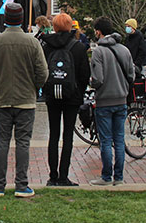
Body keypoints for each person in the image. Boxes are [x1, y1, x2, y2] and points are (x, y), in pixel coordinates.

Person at [0, 2, 48, 197]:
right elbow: (43, 73)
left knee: (2, 142)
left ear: (5, 19)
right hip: (26, 100)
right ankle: (21, 185)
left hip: (2, 99)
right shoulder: (33, 42)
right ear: (21, 19)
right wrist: (34, 86)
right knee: (23, 143)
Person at [41, 12, 90, 187]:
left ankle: (52, 175)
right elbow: (85, 74)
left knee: (53, 135)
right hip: (72, 97)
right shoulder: (78, 47)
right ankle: (63, 176)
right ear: (70, 26)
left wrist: (46, 89)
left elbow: (41, 71)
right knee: (67, 136)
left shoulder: (47, 46)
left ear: (54, 26)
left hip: (52, 96)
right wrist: (79, 91)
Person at [88, 16, 135, 186]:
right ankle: (119, 177)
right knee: (119, 139)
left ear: (98, 32)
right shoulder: (124, 50)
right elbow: (131, 75)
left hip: (104, 100)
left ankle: (106, 176)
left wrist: (91, 83)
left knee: (106, 140)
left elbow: (97, 78)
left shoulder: (98, 52)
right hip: (121, 99)